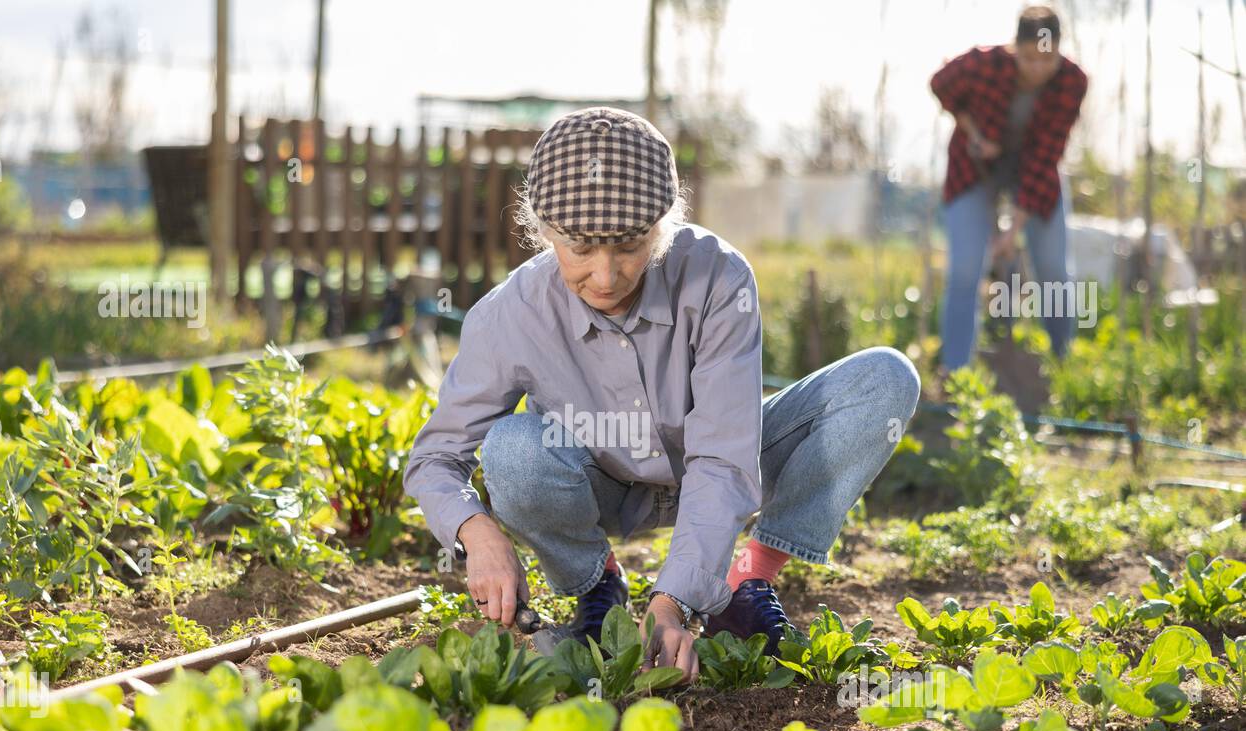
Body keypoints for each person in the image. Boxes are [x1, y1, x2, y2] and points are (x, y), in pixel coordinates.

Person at [403, 106, 920, 683]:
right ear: (544, 231)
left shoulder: (719, 277)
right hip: (598, 482)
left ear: (664, 224)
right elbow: (434, 459)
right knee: (514, 448)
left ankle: (745, 581)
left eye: (629, 245)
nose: (605, 276)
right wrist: (476, 533)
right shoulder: (510, 315)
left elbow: (723, 456)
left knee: (884, 379)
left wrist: (674, 603)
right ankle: (598, 585)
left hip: (732, 467)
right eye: (579, 248)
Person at [931, 4, 1088, 370]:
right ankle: (956, 377)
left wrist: (1013, 231)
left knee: (1052, 268)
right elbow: (939, 84)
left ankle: (1063, 366)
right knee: (966, 269)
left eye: (1045, 60)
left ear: (1060, 52)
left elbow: (1044, 157)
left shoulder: (1072, 82)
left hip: (1035, 174)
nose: (1037, 69)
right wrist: (974, 132)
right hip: (974, 169)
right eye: (1029, 58)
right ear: (1014, 49)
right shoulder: (982, 64)